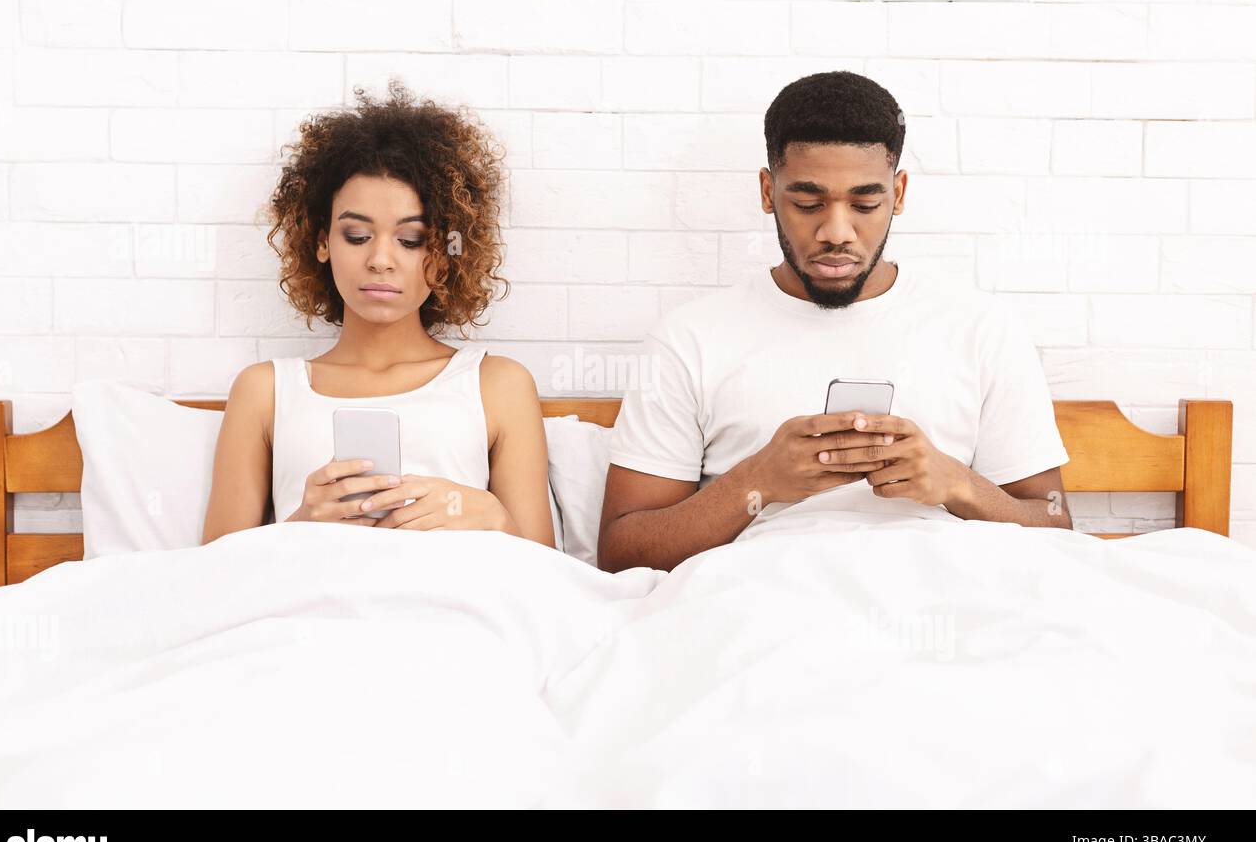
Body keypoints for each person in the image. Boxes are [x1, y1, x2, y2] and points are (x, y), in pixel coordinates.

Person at [598, 71, 1071, 573]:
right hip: (757, 605)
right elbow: (621, 552)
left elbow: (1056, 522)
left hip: (934, 596)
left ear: (900, 192)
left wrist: (958, 485)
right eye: (807, 203)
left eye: (866, 203)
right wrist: (757, 481)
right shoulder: (689, 338)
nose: (835, 232)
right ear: (767, 191)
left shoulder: (981, 328)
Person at [201, 83, 554, 547]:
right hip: (308, 612)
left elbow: (548, 579)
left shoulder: (498, 384)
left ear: (446, 256)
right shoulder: (263, 391)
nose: (381, 260)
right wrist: (300, 524)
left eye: (410, 240)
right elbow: (214, 576)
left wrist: (493, 517)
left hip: (455, 611)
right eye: (356, 235)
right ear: (323, 242)